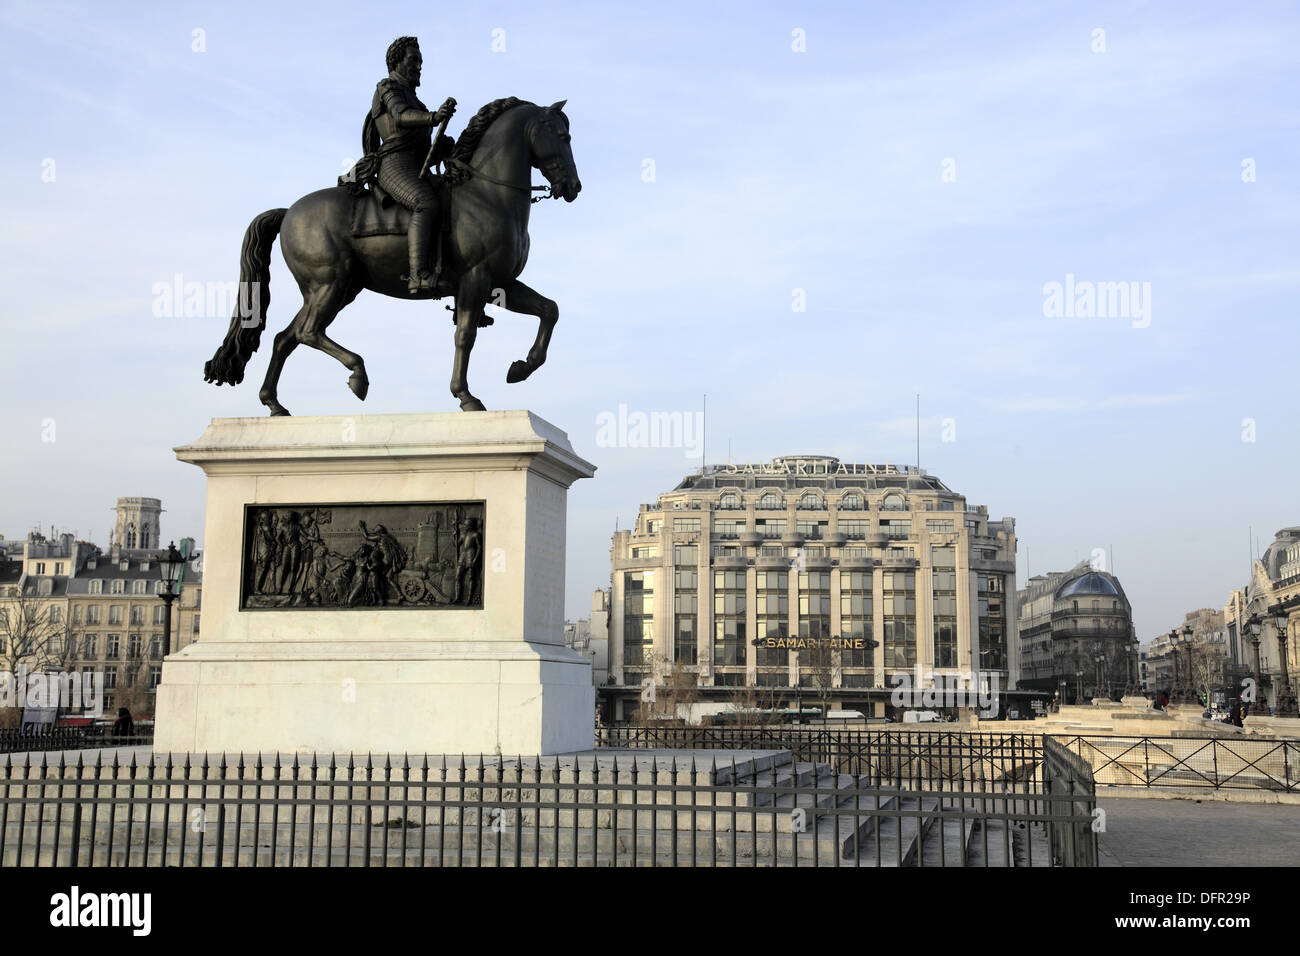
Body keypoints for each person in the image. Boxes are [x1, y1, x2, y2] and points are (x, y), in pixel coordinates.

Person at [369, 37, 457, 293]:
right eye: (413, 60)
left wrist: (445, 147)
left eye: (420, 62)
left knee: (456, 198)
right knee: (425, 203)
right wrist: (433, 118)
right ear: (396, 62)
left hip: (417, 166)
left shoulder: (416, 101)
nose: (419, 66)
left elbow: (422, 142)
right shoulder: (387, 87)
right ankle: (418, 275)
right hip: (394, 166)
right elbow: (400, 116)